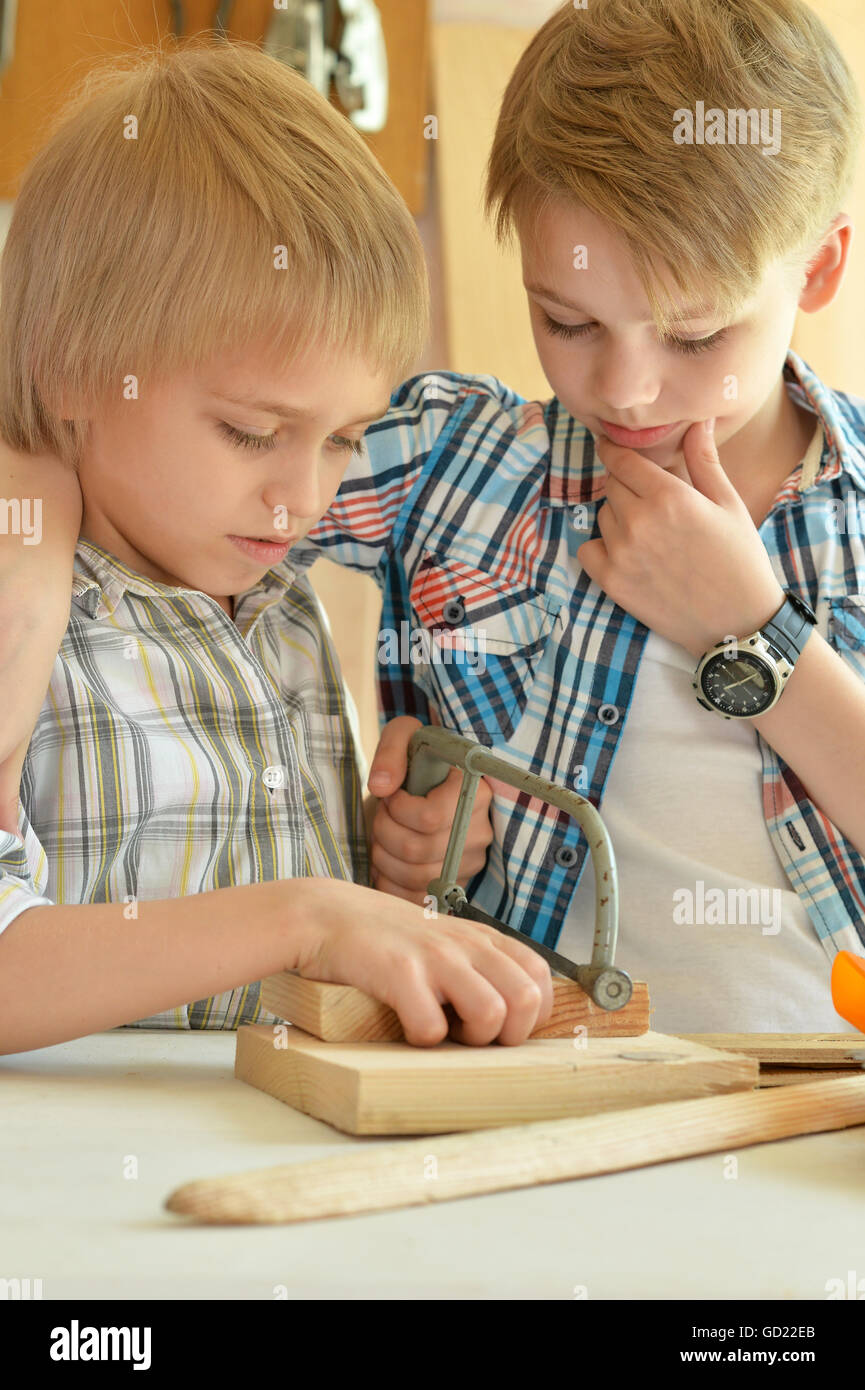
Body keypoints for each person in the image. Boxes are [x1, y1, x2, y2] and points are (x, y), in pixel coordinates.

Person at [4, 0, 865, 1034]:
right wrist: (26, 529)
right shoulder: (455, 462)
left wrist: (754, 632)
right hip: (525, 1098)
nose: (627, 390)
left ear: (817, 267)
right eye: (569, 321)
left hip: (817, 1105)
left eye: (694, 334)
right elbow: (147, 437)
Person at [0, 39, 551, 1057]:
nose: (301, 501)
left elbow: (301, 946)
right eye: (252, 432)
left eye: (342, 439)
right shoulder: (25, 604)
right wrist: (306, 917)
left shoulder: (279, 609)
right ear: (73, 368)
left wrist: (393, 887)